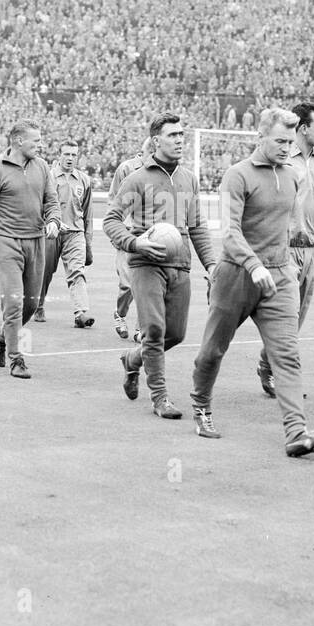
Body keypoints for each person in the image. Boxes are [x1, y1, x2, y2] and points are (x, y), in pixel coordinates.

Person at [189, 107, 314, 458]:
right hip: (236, 275)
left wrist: (288, 262)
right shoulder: (237, 175)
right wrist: (253, 265)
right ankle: (202, 407)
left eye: (290, 140)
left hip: (279, 276)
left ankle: (297, 434)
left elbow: (286, 225)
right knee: (212, 351)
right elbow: (230, 233)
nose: (286, 147)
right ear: (260, 137)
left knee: (287, 355)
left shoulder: (294, 176)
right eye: (279, 140)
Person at [104, 114, 216, 422]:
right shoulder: (137, 179)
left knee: (176, 334)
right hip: (145, 264)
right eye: (173, 135)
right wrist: (134, 243)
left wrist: (212, 266)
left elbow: (197, 226)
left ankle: (133, 358)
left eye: (182, 134)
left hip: (180, 264)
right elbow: (111, 220)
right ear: (156, 141)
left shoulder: (189, 179)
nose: (180, 140)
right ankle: (160, 397)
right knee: (153, 329)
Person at [255, 101, 314, 399]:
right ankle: (284, 376)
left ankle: (267, 364)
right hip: (284, 251)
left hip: (313, 251)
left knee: (297, 319)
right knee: (285, 318)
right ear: (303, 128)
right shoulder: (279, 159)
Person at [0, 120, 61, 379]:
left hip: (36, 242)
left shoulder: (42, 167)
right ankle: (17, 358)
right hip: (6, 243)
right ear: (18, 141)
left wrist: (55, 220)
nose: (41, 144)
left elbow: (51, 200)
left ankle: (1, 336)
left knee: (31, 306)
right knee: (13, 303)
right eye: (36, 140)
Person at [35, 139, 95, 328]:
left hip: (75, 233)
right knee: (44, 273)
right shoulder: (49, 177)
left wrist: (88, 243)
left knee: (77, 272)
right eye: (66, 154)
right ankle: (38, 305)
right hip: (51, 232)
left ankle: (81, 313)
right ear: (59, 155)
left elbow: (87, 213)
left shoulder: (84, 180)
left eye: (73, 155)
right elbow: (39, 206)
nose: (70, 158)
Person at [107, 136, 153, 341]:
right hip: (127, 236)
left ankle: (139, 329)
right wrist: (119, 231)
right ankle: (120, 313)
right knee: (127, 283)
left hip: (149, 236)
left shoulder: (161, 173)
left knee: (146, 284)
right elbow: (114, 200)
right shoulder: (126, 169)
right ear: (144, 153)